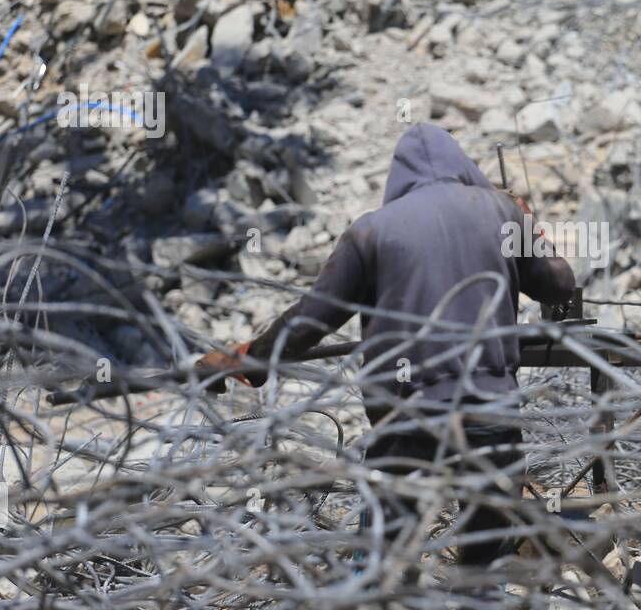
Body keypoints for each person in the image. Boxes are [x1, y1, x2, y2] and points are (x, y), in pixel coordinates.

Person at [198, 123, 576, 563]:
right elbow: (558, 285)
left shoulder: (371, 231)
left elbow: (310, 321)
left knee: (386, 561)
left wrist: (247, 359)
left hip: (407, 419)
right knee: (484, 564)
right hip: (489, 413)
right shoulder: (502, 212)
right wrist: (529, 226)